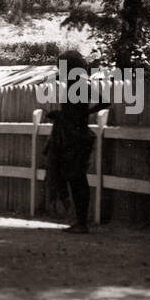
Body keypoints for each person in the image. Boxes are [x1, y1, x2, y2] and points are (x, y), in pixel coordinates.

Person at [44, 53, 107, 233]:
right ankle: (79, 221)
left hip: (75, 137)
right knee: (74, 177)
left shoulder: (80, 84)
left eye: (62, 67)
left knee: (77, 178)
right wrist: (79, 114)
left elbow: (103, 102)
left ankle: (81, 222)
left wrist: (63, 115)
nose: (60, 70)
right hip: (71, 135)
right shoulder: (76, 84)